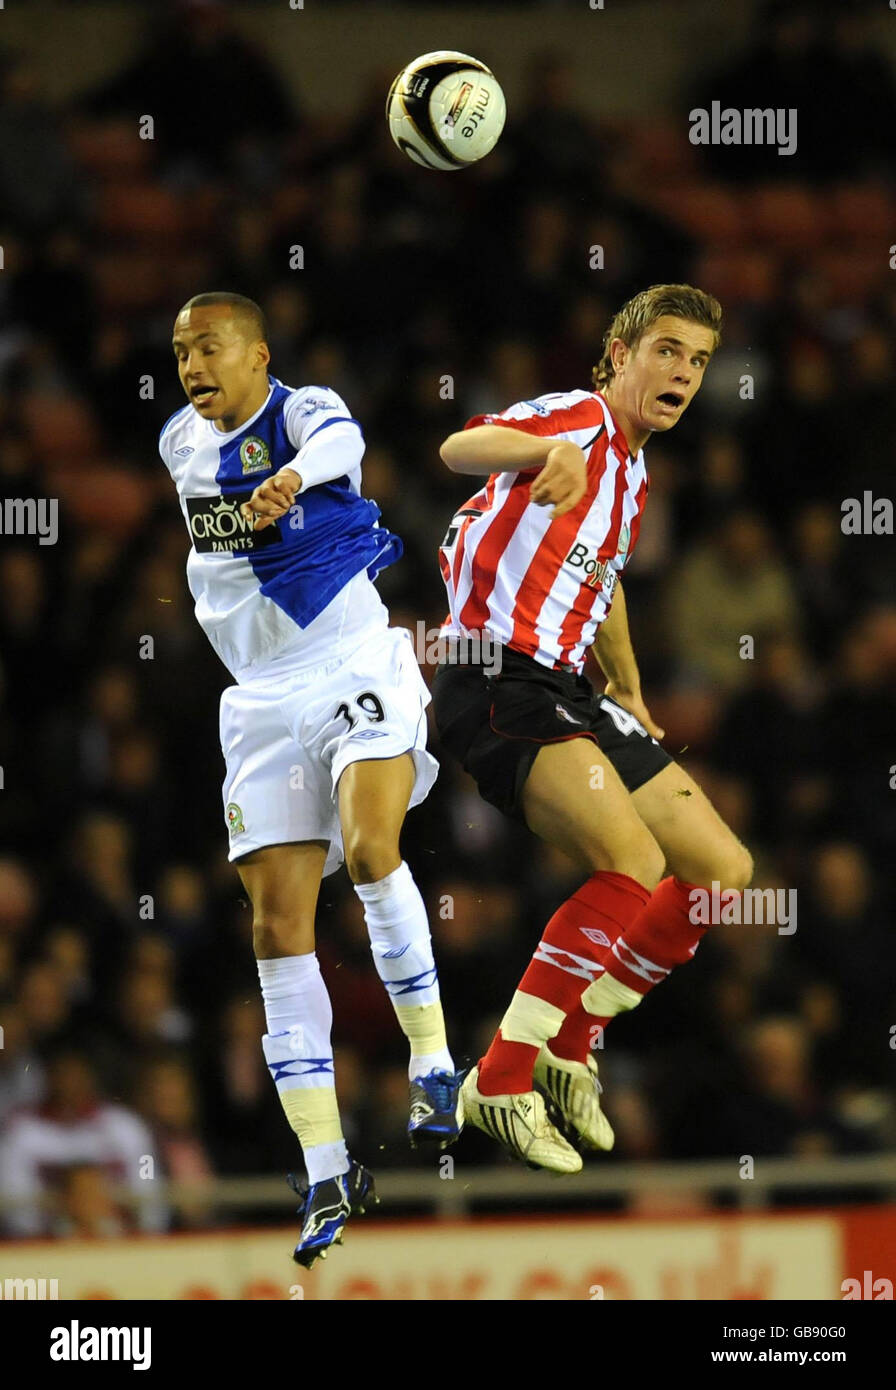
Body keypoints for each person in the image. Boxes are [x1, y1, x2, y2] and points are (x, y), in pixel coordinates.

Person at [159, 292, 462, 1266]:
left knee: (373, 848)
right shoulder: (177, 441)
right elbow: (220, 539)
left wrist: (289, 480)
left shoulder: (303, 409)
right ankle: (328, 1166)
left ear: (257, 354)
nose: (192, 366)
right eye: (179, 352)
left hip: (351, 662)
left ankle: (431, 1061)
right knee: (275, 928)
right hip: (257, 699)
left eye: (209, 348)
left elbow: (343, 441)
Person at [432, 284, 754, 1172]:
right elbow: (461, 444)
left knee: (721, 870)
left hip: (574, 685)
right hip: (496, 673)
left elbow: (601, 579)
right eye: (667, 351)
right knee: (633, 864)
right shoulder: (575, 417)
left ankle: (574, 1042)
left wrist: (632, 688)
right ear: (620, 356)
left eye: (696, 360)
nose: (683, 372)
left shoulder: (636, 471)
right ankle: (498, 1081)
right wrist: (540, 454)